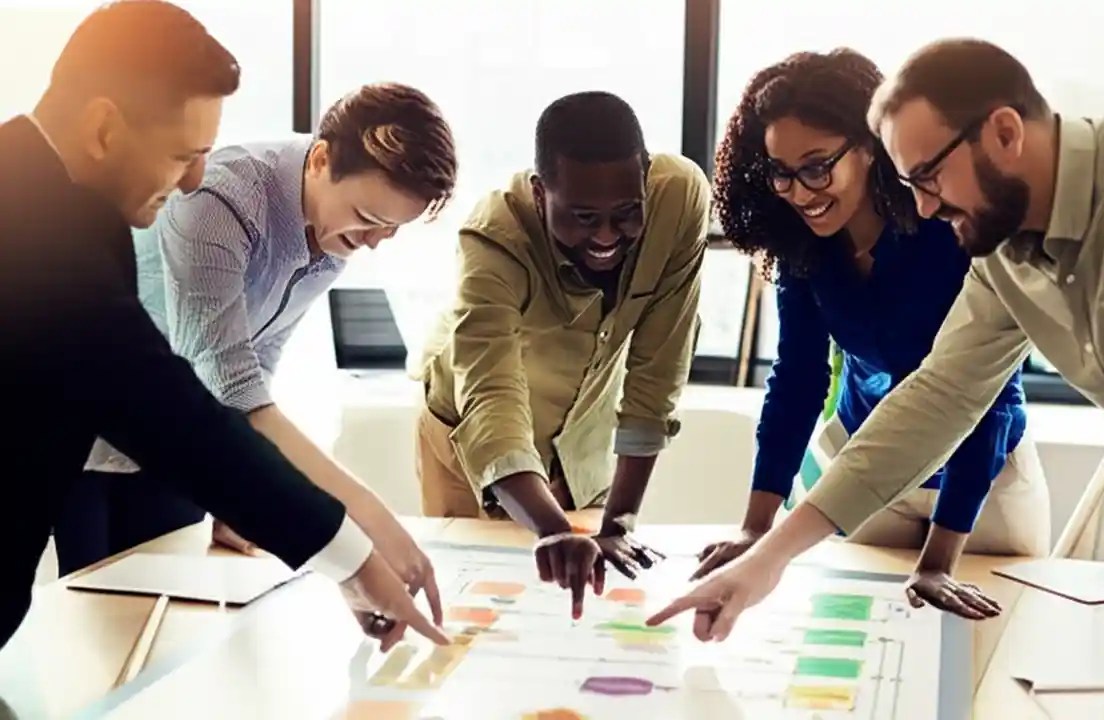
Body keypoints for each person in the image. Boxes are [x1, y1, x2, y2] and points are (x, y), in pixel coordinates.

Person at [647, 36, 1104, 701]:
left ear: (1004, 132)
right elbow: (939, 398)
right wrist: (767, 557)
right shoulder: (1003, 253)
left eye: (926, 176)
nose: (919, 207)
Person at [0, 0, 445, 651]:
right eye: (184, 154)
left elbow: (175, 411)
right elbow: (173, 406)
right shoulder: (39, 231)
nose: (195, 181)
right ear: (103, 129)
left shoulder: (68, 212)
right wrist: (353, 557)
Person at [55, 81, 457, 591]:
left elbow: (258, 356)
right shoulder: (220, 197)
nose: (375, 242)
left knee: (162, 606)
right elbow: (231, 384)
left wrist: (240, 493)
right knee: (89, 606)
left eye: (393, 228)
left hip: (176, 431)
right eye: (368, 219)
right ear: (320, 161)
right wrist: (375, 526)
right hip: (89, 420)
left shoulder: (335, 233)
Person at [691, 49, 1050, 615]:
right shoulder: (804, 249)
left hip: (980, 485)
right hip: (867, 465)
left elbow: (984, 400)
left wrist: (937, 563)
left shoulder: (949, 227)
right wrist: (755, 529)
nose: (798, 191)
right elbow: (798, 382)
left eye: (816, 166)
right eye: (779, 172)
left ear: (870, 147)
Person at [414, 91, 709, 617]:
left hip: (581, 442)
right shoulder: (492, 236)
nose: (605, 237)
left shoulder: (680, 199)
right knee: (479, 620)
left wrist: (619, 524)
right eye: (582, 217)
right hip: (474, 451)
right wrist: (553, 530)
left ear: (645, 179)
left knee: (581, 613)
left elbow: (658, 370)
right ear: (538, 192)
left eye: (625, 214)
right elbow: (492, 398)